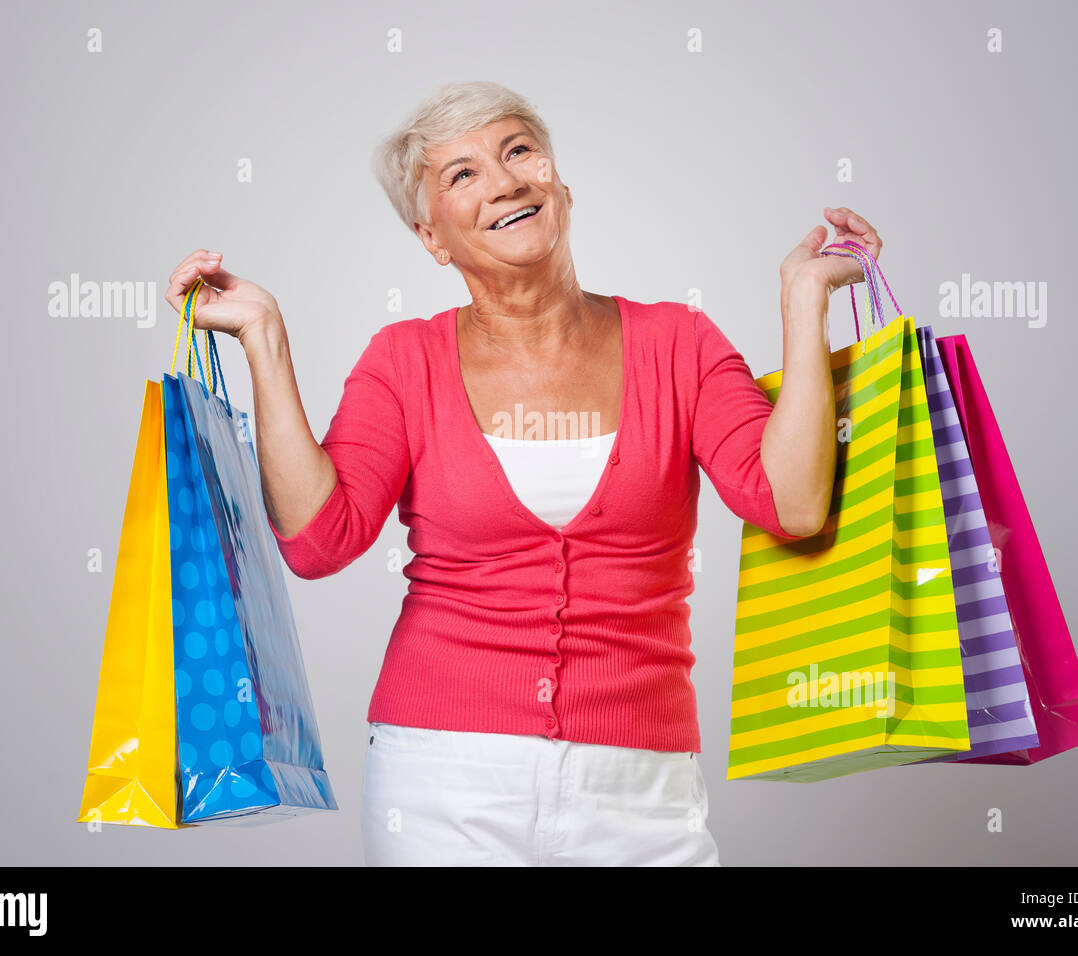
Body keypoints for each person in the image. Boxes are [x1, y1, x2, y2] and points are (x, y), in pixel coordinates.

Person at [163, 80, 881, 866]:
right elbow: (319, 542)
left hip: (643, 783)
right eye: (461, 174)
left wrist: (801, 300)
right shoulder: (404, 362)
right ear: (432, 237)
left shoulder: (681, 343)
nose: (503, 181)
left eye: (518, 152)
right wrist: (263, 338)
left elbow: (795, 503)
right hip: (441, 782)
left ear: (560, 187)